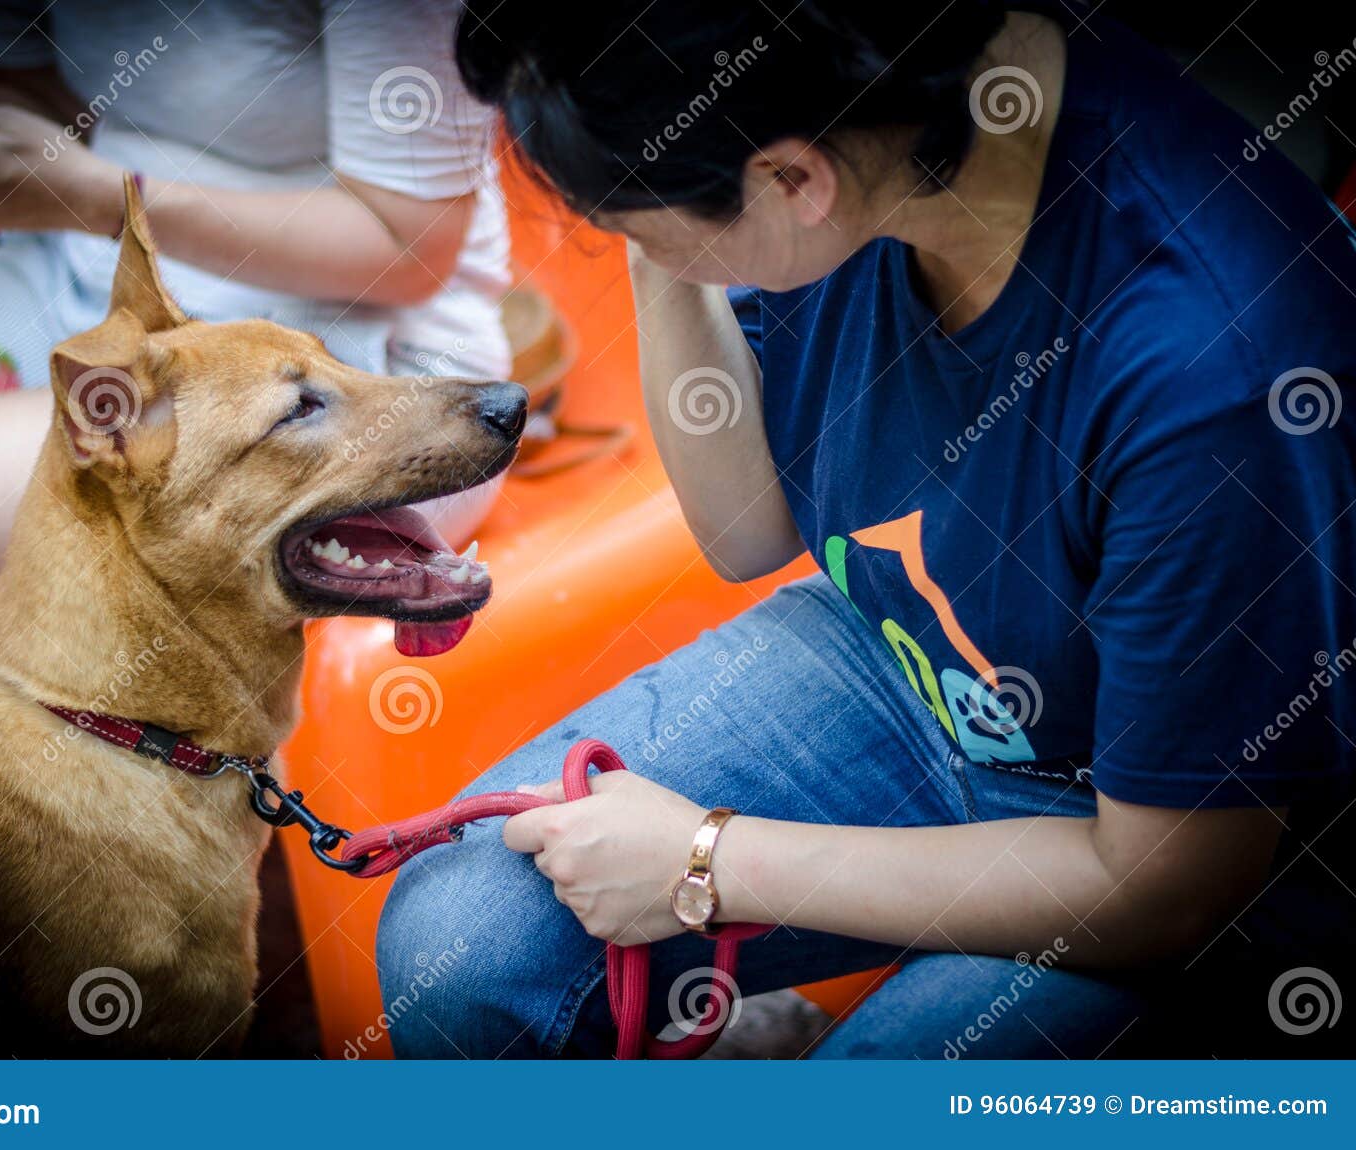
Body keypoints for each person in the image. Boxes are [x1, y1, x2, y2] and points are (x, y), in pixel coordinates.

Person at [376, 2, 1356, 1057]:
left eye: (631, 223)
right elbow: (746, 529)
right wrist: (652, 205)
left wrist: (707, 860)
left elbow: (1165, 891)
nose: (622, 240)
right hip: (907, 648)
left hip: (1151, 835)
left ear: (795, 182)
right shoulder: (855, 125)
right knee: (458, 940)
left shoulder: (1214, 375)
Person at [0, 0, 508, 703]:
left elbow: (411, 244)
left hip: (344, 339)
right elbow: (60, 96)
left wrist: (98, 196)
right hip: (81, 277)